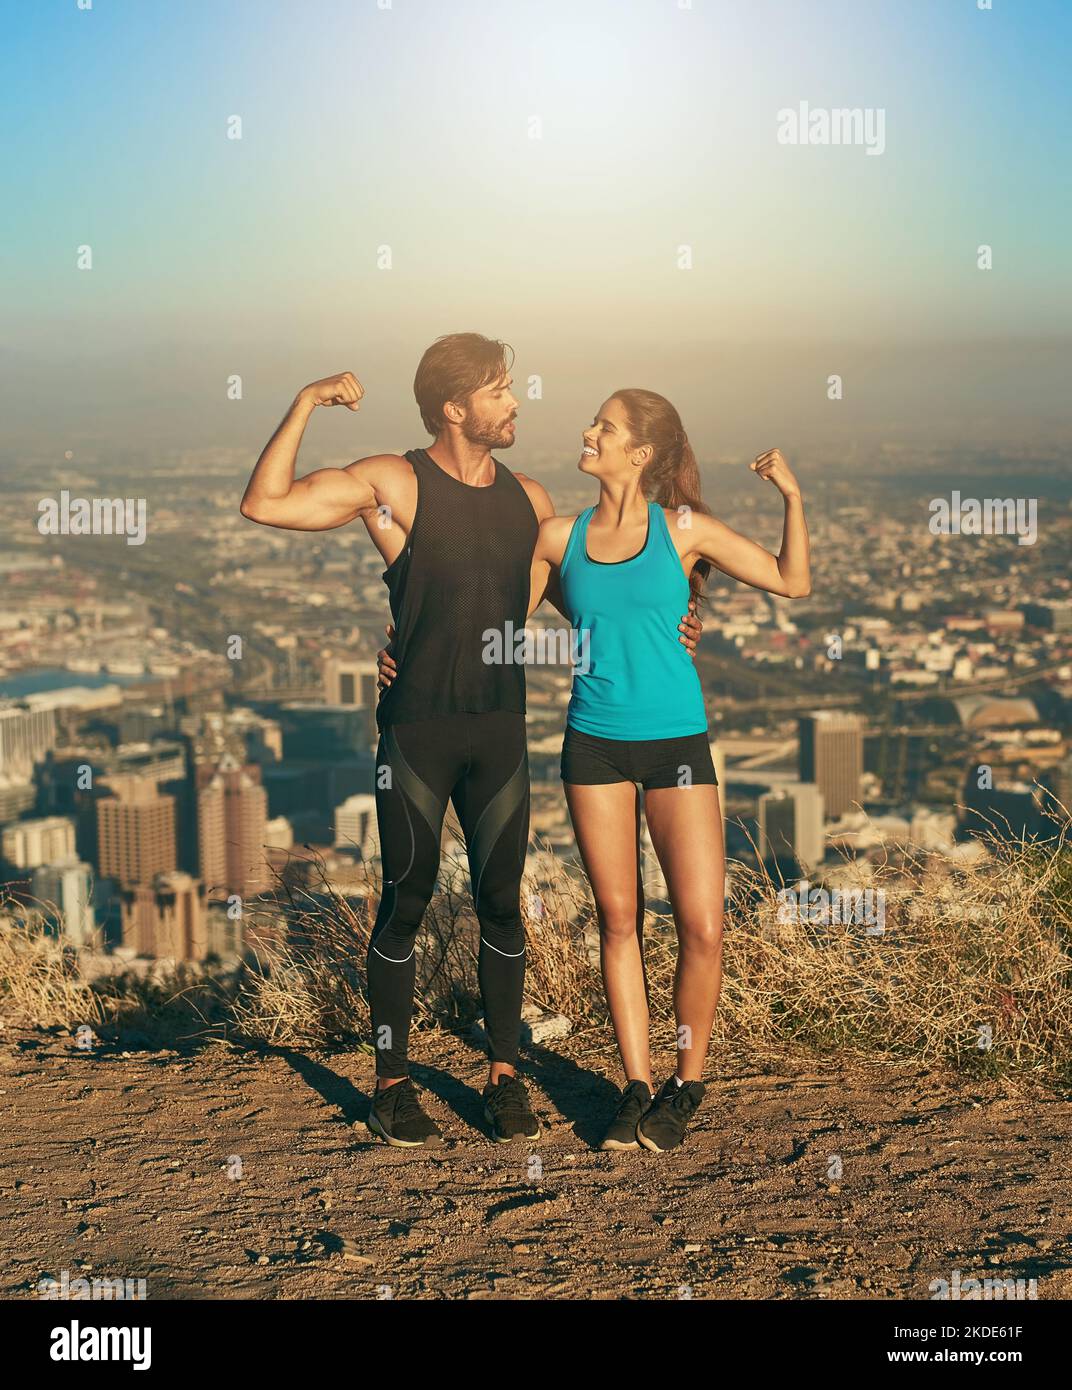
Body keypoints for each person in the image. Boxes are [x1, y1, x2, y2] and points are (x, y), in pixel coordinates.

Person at [240, 335, 702, 1146]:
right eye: (498, 391)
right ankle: (390, 1084)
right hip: (418, 729)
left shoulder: (529, 497)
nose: (516, 402)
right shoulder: (394, 482)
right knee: (405, 904)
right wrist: (309, 401)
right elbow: (264, 505)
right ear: (455, 408)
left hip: (500, 731)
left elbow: (587, 595)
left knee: (501, 906)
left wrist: (674, 624)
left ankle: (503, 1075)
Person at [529, 389, 811, 1152]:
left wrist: (791, 495)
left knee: (703, 926)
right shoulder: (559, 535)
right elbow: (501, 620)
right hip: (592, 745)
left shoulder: (683, 529)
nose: (589, 433)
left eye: (606, 428)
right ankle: (635, 1085)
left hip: (678, 744)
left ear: (641, 454)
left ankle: (688, 1084)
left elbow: (792, 580)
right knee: (618, 920)